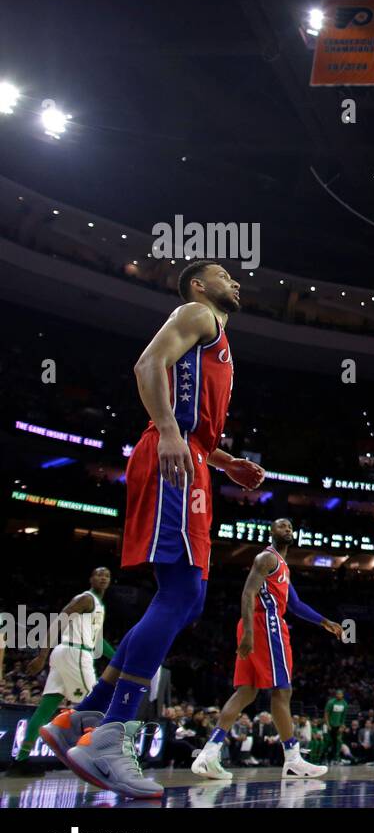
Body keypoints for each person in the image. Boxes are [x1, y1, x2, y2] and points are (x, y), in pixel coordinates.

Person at [56, 261, 265, 799]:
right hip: (172, 456)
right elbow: (147, 364)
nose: (236, 282)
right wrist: (171, 431)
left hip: (193, 458)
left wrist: (226, 462)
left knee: (188, 601)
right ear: (199, 285)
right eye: (224, 274)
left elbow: (196, 421)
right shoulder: (197, 313)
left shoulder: (215, 339)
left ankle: (81, 717)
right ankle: (110, 735)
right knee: (181, 593)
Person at [191, 519, 343, 780]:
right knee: (282, 691)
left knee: (247, 691)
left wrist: (324, 621)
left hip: (260, 625)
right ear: (271, 532)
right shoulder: (266, 558)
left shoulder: (282, 566)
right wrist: (249, 633)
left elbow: (294, 604)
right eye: (282, 526)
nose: (287, 530)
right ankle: (293, 759)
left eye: (291, 527)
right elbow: (247, 593)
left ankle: (208, 754)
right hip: (265, 624)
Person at [11, 568, 116, 774]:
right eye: (98, 574)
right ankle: (99, 761)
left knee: (45, 708)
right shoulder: (86, 599)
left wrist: (119, 658)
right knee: (97, 705)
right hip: (75, 653)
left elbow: (97, 641)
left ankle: (20, 761)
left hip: (69, 654)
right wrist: (42, 654)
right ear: (90, 578)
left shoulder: (98, 605)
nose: (103, 578)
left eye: (107, 575)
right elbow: (60, 619)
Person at [323, 690, 348, 763]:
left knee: (338, 741)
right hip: (330, 725)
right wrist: (327, 724)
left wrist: (342, 726)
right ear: (335, 695)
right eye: (337, 694)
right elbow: (326, 714)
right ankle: (325, 758)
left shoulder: (345, 704)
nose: (339, 695)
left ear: (343, 695)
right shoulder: (331, 702)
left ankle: (336, 758)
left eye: (340, 694)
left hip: (338, 726)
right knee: (328, 741)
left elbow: (343, 716)